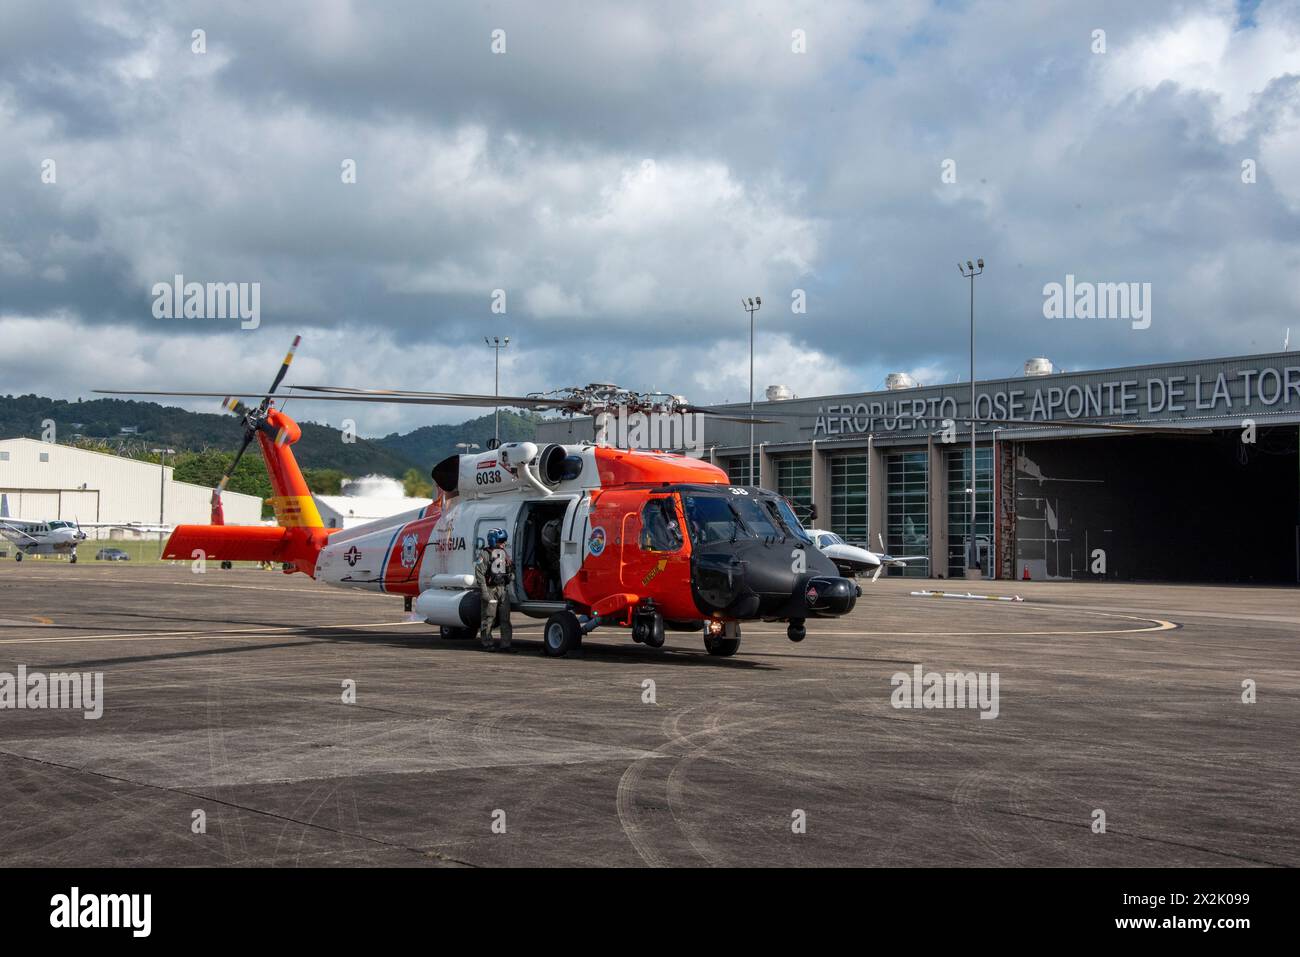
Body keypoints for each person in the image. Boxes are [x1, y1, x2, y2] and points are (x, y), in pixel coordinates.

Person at [475, 528, 515, 652]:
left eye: (504, 540)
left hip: (503, 589)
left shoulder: (504, 554)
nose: (503, 543)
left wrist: (510, 577)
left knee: (505, 619)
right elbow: (479, 574)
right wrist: (485, 593)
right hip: (490, 589)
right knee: (488, 617)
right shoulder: (484, 555)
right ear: (493, 540)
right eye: (501, 540)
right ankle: (487, 643)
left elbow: (511, 571)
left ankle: (506, 644)